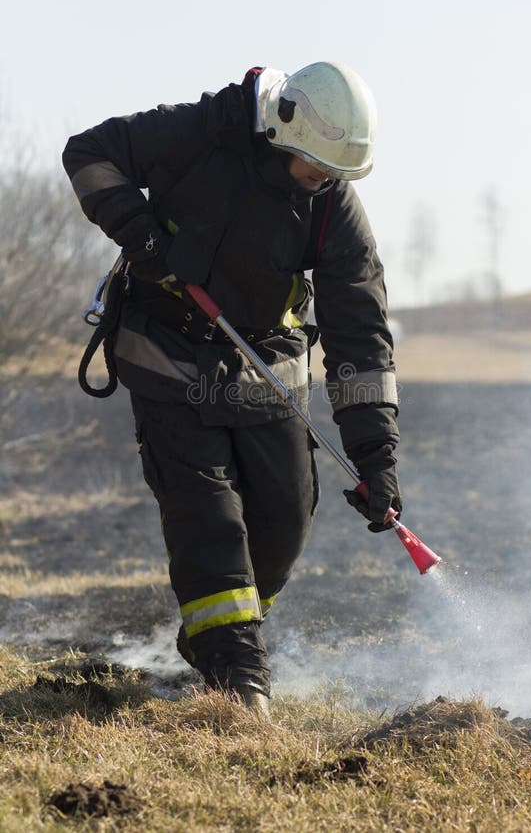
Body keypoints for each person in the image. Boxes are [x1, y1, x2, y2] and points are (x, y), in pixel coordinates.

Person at [63, 61, 401, 719]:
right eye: (313, 165)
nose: (321, 180)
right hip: (168, 348)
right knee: (209, 517)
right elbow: (90, 154)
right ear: (284, 125)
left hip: (265, 364)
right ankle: (237, 669)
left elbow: (359, 329)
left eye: (334, 173)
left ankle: (213, 636)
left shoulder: (331, 202)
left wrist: (377, 458)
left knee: (282, 520)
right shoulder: (202, 132)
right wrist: (141, 234)